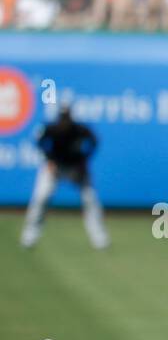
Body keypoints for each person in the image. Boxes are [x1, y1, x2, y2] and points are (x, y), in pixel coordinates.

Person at [21, 103, 110, 250]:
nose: (64, 121)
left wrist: (83, 161)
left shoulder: (80, 130)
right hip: (55, 168)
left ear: (70, 117)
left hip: (76, 169)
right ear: (58, 118)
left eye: (66, 117)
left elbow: (94, 142)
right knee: (42, 197)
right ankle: (30, 235)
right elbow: (39, 142)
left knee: (90, 199)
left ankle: (99, 238)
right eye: (62, 118)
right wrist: (49, 160)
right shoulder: (51, 129)